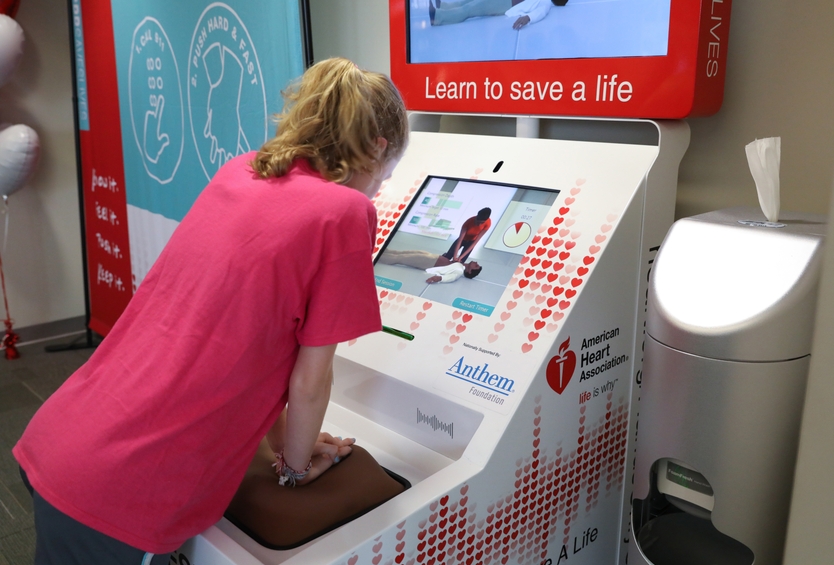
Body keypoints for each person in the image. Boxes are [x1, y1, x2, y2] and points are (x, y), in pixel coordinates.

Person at [12, 58, 409, 564]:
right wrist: (294, 469)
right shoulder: (346, 212)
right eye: (386, 175)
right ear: (376, 149)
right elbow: (311, 380)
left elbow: (257, 346)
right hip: (119, 489)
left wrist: (288, 444)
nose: (379, 188)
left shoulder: (243, 171)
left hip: (65, 435)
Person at [429, 0, 568, 29]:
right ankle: (445, 6)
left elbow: (540, 13)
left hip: (504, 4)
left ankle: (439, 17)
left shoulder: (546, 3)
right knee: (472, 1)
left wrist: (528, 18)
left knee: (472, 8)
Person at [379, 249, 483, 283]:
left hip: (428, 262)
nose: (476, 263)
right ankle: (380, 249)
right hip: (432, 257)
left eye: (476, 266)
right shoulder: (460, 264)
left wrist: (439, 278)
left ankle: (376, 256)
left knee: (400, 258)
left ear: (469, 271)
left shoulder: (459, 271)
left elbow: (452, 277)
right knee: (401, 253)